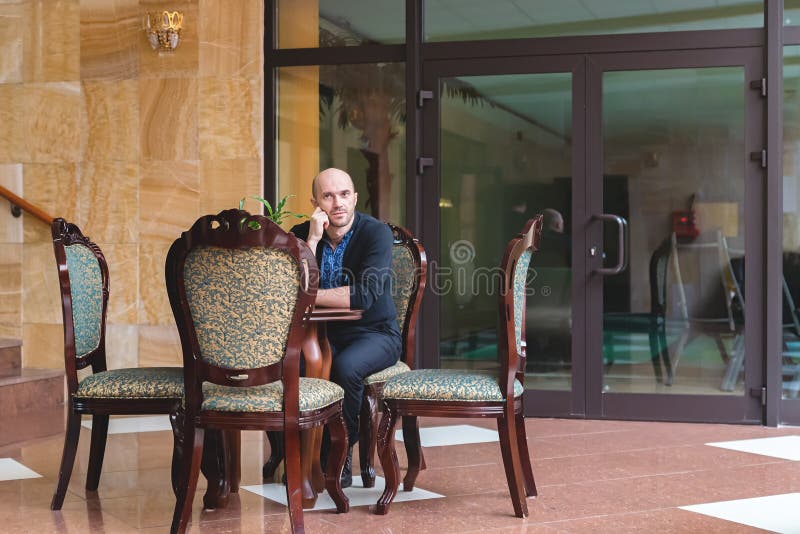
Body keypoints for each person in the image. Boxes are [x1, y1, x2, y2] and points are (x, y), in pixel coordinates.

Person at [290, 167, 401, 488]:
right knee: (290, 366)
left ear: (354, 197)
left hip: (376, 334)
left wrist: (309, 295)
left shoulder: (374, 233)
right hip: (321, 335)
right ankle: (295, 452)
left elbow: (364, 295)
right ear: (315, 202)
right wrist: (312, 239)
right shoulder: (300, 235)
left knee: (345, 367)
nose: (337, 202)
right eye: (328, 195)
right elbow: (286, 290)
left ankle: (339, 452)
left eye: (343, 194)